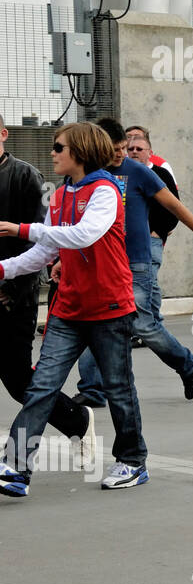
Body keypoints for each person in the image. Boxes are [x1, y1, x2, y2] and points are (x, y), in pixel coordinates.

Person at [0, 123, 150, 496]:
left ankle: (132, 460)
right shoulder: (62, 195)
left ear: (79, 152)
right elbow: (46, 253)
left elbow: (82, 234)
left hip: (110, 307)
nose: (52, 153)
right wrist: (4, 269)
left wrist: (22, 230)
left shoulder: (105, 191)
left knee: (118, 389)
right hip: (68, 308)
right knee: (40, 387)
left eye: (59, 147)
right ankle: (16, 470)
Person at [76, 118, 193, 405]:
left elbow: (174, 206)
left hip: (135, 263)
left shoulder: (138, 172)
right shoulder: (85, 174)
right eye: (115, 149)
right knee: (93, 322)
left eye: (124, 148)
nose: (122, 153)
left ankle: (186, 362)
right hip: (99, 265)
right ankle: (93, 390)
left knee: (142, 325)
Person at [0, 114, 94, 465]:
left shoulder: (25, 177)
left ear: (4, 135)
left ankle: (76, 419)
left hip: (13, 296)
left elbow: (43, 242)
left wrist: (15, 288)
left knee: (17, 378)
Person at [125, 132, 179, 328]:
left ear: (150, 153)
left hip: (152, 238)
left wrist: (159, 232)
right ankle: (151, 323)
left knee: (147, 280)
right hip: (127, 239)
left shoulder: (161, 174)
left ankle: (149, 324)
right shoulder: (122, 174)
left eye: (139, 149)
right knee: (145, 282)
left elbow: (175, 208)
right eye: (130, 149)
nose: (134, 152)